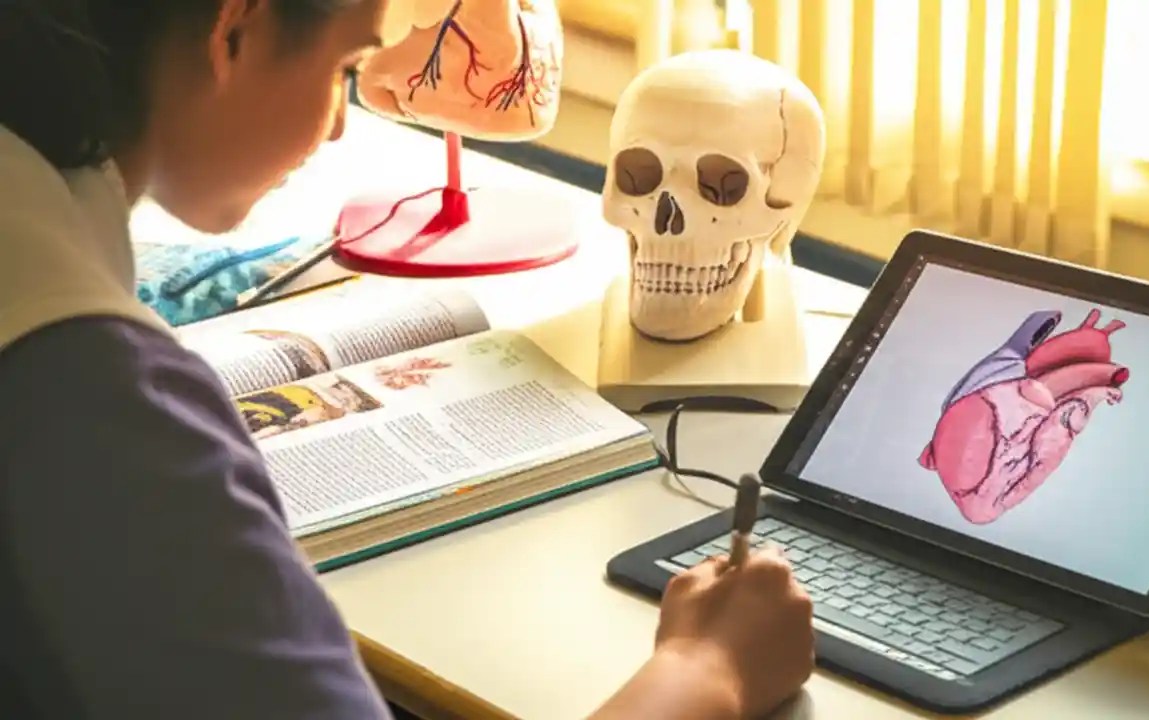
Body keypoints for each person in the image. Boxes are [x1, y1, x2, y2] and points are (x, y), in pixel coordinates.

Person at [0, 1, 815, 718]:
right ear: (235, 26)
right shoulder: (98, 404)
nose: (341, 123)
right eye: (348, 64)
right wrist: (705, 671)